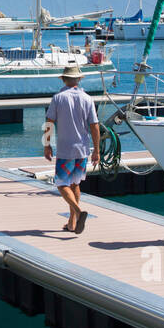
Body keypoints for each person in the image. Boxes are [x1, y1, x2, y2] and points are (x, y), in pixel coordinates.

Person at [43, 64, 100, 234]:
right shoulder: (88, 98)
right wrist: (96, 150)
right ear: (78, 80)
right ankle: (72, 223)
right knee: (75, 184)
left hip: (65, 149)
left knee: (61, 184)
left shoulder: (58, 98)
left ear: (64, 79)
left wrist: (47, 145)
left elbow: (49, 123)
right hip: (82, 148)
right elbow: (95, 126)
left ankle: (78, 211)